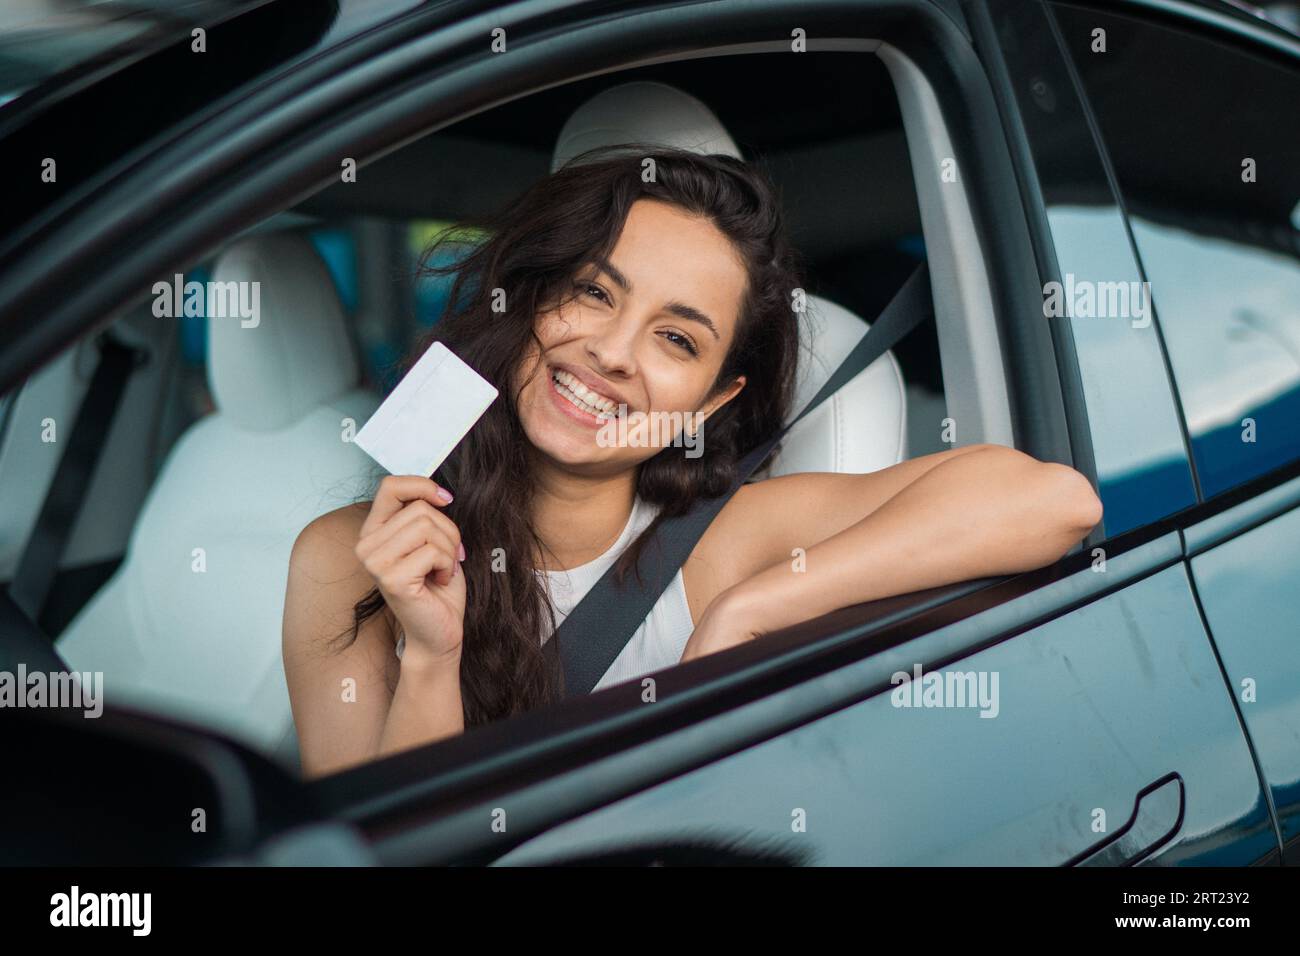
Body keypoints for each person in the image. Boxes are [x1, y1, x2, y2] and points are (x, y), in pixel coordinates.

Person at [283, 144, 1102, 779]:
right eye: (593, 292)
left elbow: (1054, 502)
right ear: (529, 299)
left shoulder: (726, 543)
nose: (611, 351)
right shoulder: (347, 561)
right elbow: (377, 855)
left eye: (676, 338)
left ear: (710, 403)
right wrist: (431, 656)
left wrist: (751, 609)